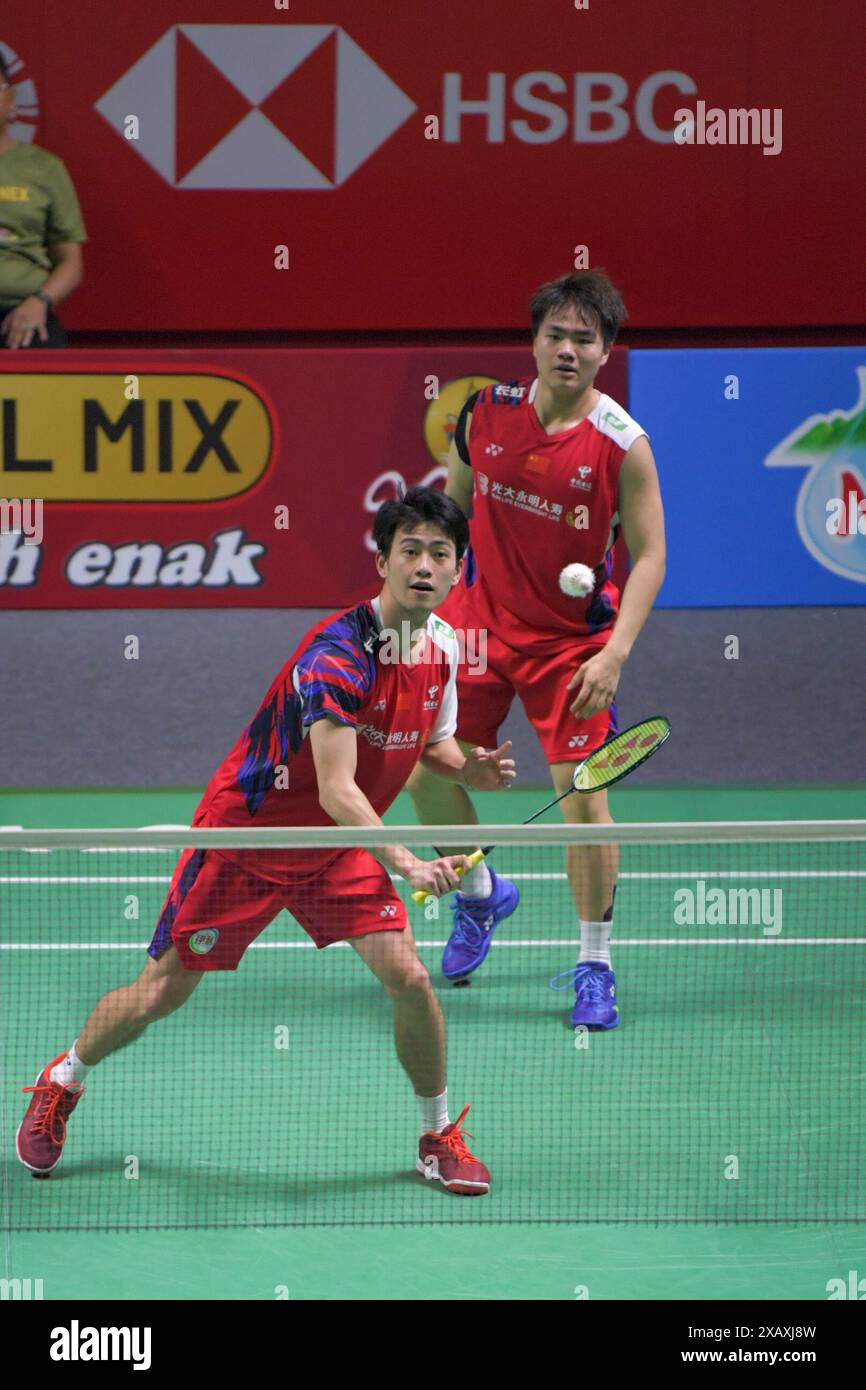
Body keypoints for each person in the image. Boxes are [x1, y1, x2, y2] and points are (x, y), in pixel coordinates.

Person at [17, 488, 515, 1196]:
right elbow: (341, 789)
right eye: (411, 551)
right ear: (383, 561)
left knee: (408, 979)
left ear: (459, 570)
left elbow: (431, 745)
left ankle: (436, 1136)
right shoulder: (337, 655)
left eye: (441, 553)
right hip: (253, 833)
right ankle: (62, 1080)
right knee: (162, 992)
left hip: (339, 849)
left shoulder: (439, 651)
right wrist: (404, 859)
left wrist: (473, 768)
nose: (425, 566)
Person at [406, 270, 666, 1028]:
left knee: (584, 796)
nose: (567, 348)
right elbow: (449, 513)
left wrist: (615, 653)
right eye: (556, 334)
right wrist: (422, 607)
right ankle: (483, 898)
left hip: (571, 646)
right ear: (534, 341)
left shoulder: (624, 446)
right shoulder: (485, 414)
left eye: (584, 338)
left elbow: (649, 556)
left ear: (604, 352)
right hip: (479, 624)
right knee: (426, 768)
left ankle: (594, 962)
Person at [0, 52, 86, 348]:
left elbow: (71, 264)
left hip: (24, 312)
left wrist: (39, 302)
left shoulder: (45, 168)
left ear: (11, 100)